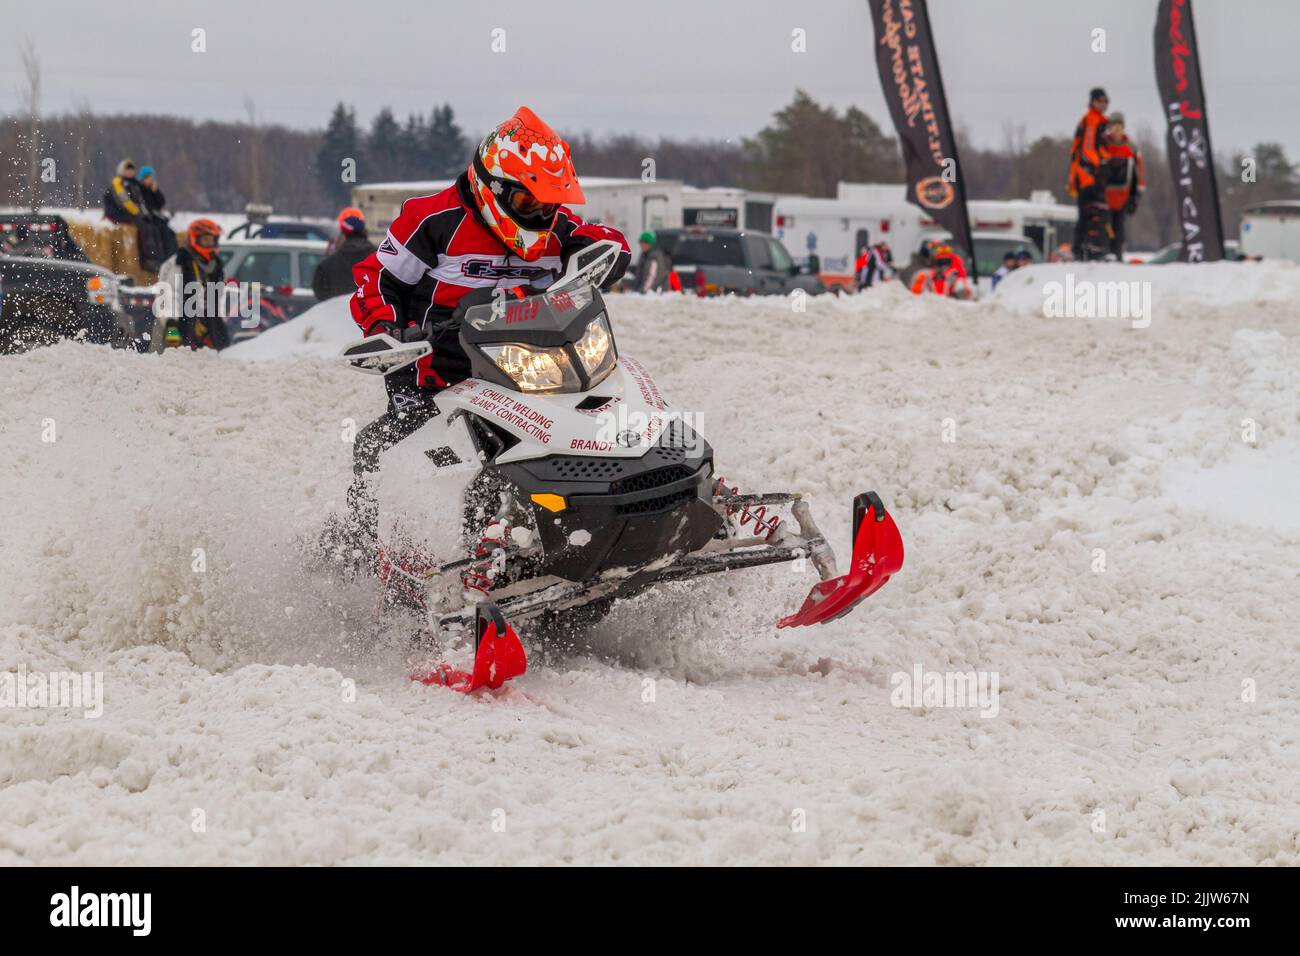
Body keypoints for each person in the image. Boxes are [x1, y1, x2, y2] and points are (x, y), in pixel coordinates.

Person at [342, 106, 630, 546]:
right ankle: (385, 547)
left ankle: (633, 497)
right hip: (436, 371)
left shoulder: (556, 226)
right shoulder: (432, 219)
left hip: (531, 367)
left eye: (549, 203)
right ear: (493, 186)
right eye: (528, 201)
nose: (540, 212)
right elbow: (375, 277)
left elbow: (599, 237)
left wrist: (609, 252)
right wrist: (388, 330)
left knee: (598, 412)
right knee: (411, 453)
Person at [151, 219, 230, 352]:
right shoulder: (179, 262)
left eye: (212, 240)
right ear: (195, 239)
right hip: (174, 324)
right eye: (205, 240)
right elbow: (166, 297)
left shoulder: (216, 266)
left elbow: (219, 299)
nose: (209, 244)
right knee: (165, 362)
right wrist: (171, 329)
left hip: (206, 326)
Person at [1068, 88, 1111, 260]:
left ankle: (1092, 247)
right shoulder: (1091, 120)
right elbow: (1086, 148)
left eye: (1105, 101)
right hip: (1087, 176)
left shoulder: (1101, 120)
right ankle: (1080, 249)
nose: (1103, 104)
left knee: (1097, 213)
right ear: (1093, 102)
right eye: (1100, 101)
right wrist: (1098, 165)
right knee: (1088, 214)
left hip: (1094, 173)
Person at [1102, 114, 1145, 260]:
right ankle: (1105, 253)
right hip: (1104, 196)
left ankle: (1117, 254)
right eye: (1114, 127)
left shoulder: (1131, 149)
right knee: (1105, 227)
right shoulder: (1103, 145)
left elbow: (1138, 174)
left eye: (1119, 127)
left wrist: (1136, 196)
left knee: (1119, 228)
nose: (1117, 131)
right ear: (1110, 128)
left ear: (1123, 128)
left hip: (1122, 196)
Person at [313, 208, 378, 300]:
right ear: (365, 232)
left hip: (337, 313)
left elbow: (321, 295)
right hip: (373, 313)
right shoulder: (382, 260)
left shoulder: (327, 266)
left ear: (343, 235)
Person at [103, 159, 146, 225]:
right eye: (127, 170)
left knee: (149, 222)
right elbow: (124, 201)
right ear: (121, 171)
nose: (130, 172)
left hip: (126, 213)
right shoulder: (117, 183)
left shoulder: (134, 183)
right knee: (141, 223)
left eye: (132, 169)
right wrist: (137, 212)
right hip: (115, 213)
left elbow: (140, 201)